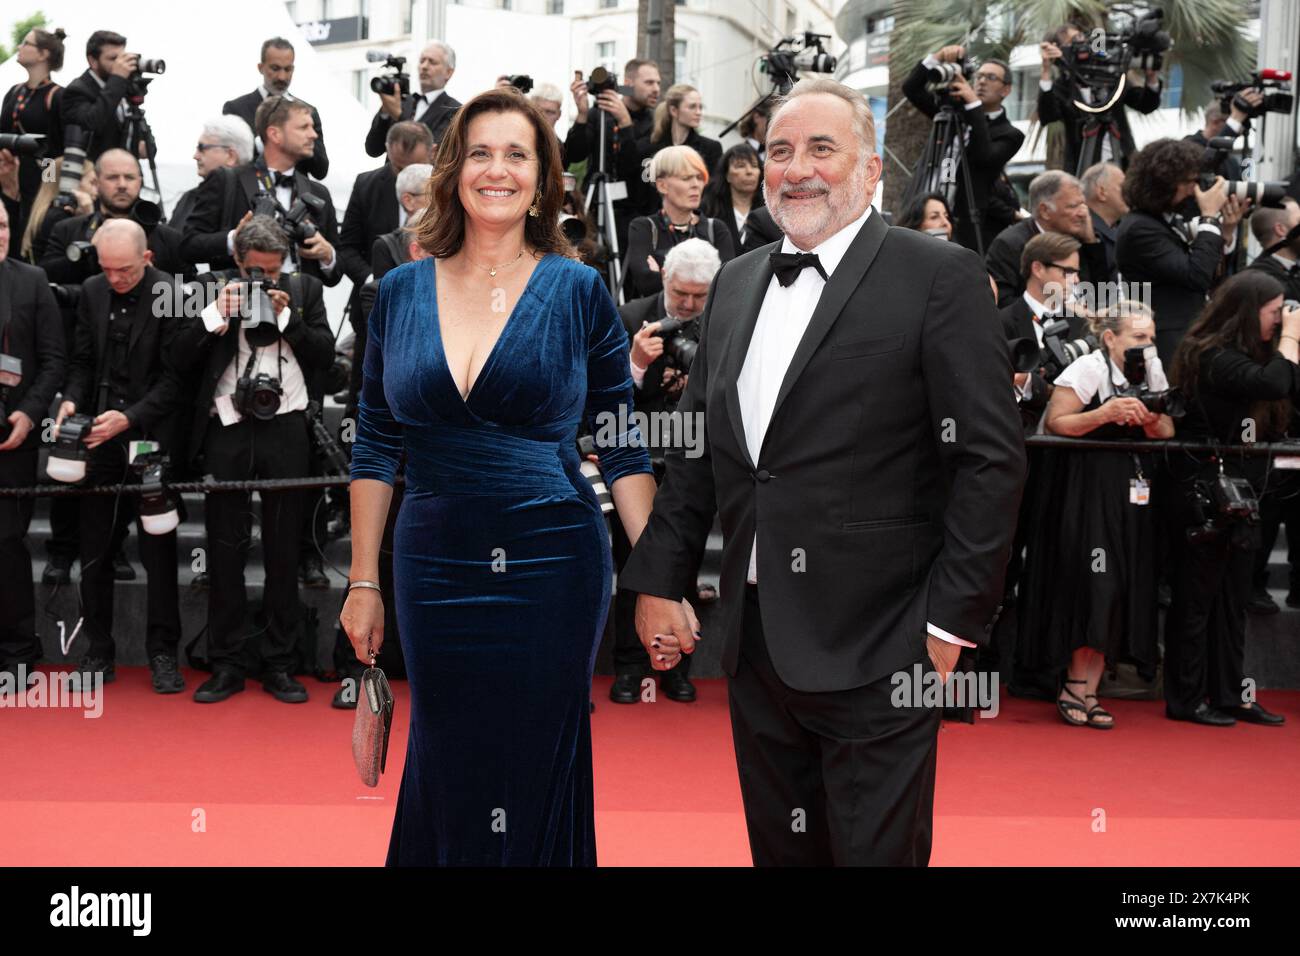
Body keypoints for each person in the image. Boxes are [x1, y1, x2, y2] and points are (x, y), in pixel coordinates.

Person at [619, 77, 1026, 866]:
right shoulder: (737, 280)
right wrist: (660, 581)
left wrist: (948, 626)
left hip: (886, 640)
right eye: (779, 150)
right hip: (758, 640)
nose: (796, 168)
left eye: (820, 148)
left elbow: (989, 459)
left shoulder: (938, 275)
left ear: (870, 170)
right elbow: (698, 450)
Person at [339, 88, 667, 866]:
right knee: (446, 755)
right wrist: (362, 580)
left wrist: (658, 577)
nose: (498, 170)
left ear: (544, 176)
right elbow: (376, 443)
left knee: (532, 756)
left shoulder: (578, 290)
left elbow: (620, 443)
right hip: (432, 560)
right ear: (453, 170)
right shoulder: (399, 293)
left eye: (517, 154)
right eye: (480, 152)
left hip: (552, 559)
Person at [169, 216, 334, 704]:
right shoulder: (210, 289)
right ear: (237, 262)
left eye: (273, 271)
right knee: (225, 550)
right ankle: (227, 663)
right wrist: (213, 314)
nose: (264, 280)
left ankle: (281, 663)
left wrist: (287, 319)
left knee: (284, 552)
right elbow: (177, 359)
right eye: (255, 272)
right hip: (228, 427)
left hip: (287, 426)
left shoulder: (304, 289)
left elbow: (326, 357)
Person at [1020, 302, 1176, 729]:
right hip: (1086, 492)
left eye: (1151, 338)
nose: (1148, 346)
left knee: (1121, 584)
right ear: (1110, 338)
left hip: (1132, 494)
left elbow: (1167, 430)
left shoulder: (1152, 370)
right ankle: (1074, 684)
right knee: (1095, 583)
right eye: (1138, 337)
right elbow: (1056, 423)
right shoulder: (1088, 368)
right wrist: (1105, 413)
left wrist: (1147, 420)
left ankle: (1091, 689)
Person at [55, 220, 185, 692]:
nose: (115, 278)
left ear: (147, 258)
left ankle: (163, 653)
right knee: (95, 549)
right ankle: (97, 651)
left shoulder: (173, 294)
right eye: (107, 269)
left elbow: (176, 380)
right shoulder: (92, 290)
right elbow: (81, 362)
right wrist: (71, 400)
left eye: (124, 271)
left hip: (150, 437)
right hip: (100, 438)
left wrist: (128, 418)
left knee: (159, 552)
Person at [1164, 270, 1298, 726]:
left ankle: (1231, 693)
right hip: (1203, 492)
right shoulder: (1210, 355)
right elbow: (1271, 385)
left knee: (1233, 600)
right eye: (1274, 311)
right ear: (1247, 312)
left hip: (1244, 493)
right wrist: (1290, 341)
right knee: (1197, 598)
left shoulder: (1255, 355)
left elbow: (1286, 388)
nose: (1280, 320)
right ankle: (1186, 698)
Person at [608, 238, 720, 705]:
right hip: (634, 462)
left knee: (684, 564)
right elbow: (603, 404)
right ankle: (629, 668)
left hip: (693, 462)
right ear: (664, 281)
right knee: (633, 563)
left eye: (700, 296)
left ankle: (678, 667)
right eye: (681, 294)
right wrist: (635, 364)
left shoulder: (724, 319)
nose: (689, 305)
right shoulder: (629, 317)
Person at [0, 202, 65, 685]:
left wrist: (29, 413)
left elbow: (54, 359)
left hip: (13, 434)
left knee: (7, 544)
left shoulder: (32, 280)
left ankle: (19, 651)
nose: (0, 234)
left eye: (3, 225)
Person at [1115, 138, 1250, 364]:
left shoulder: (1162, 221)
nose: (1194, 189)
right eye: (1189, 182)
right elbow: (1196, 275)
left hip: (1185, 338)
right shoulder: (1140, 228)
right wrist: (1209, 217)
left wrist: (1225, 230)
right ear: (1163, 184)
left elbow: (1205, 272)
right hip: (1165, 344)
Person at [181, 95, 340, 284]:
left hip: (300, 301)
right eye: (303, 127)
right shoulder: (227, 180)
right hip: (241, 297)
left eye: (312, 127)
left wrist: (328, 255)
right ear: (274, 134)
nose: (313, 135)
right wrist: (235, 239)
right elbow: (188, 246)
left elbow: (336, 275)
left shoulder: (318, 193)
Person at [902, 46, 1024, 252]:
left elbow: (984, 156)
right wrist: (937, 57)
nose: (982, 82)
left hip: (964, 223)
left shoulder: (1011, 135)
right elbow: (911, 89)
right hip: (921, 207)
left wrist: (974, 105)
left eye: (991, 77)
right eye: (979, 76)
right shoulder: (952, 113)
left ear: (1006, 90)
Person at [1244, 197, 1300, 612]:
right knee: (1268, 499)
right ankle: (1251, 584)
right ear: (1282, 230)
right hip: (1272, 407)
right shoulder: (1259, 279)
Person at [39, 148, 191, 285]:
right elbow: (46, 277)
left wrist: (151, 276)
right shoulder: (67, 229)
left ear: (139, 182)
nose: (122, 185)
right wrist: (89, 254)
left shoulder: (169, 239)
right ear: (96, 183)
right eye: (112, 177)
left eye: (129, 177)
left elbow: (188, 289)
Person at [1037, 23, 1162, 173]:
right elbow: (1048, 115)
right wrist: (1046, 71)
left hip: (1123, 165)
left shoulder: (1110, 77)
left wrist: (1151, 77)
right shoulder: (1062, 87)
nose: (1081, 43)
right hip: (1083, 168)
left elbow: (1146, 105)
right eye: (1073, 41)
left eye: (1081, 37)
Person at [565, 58, 661, 252]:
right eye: (649, 82)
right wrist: (582, 115)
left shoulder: (655, 124)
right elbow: (574, 155)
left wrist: (625, 123)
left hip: (634, 214)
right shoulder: (599, 114)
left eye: (658, 83)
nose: (656, 89)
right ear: (628, 83)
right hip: (594, 207)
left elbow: (631, 164)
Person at [621, 145, 734, 300]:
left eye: (699, 177)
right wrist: (706, 277)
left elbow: (728, 283)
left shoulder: (716, 229)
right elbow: (646, 282)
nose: (696, 184)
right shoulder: (644, 228)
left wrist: (663, 275)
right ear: (662, 185)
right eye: (686, 178)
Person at [986, 170, 1109, 306]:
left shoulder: (1079, 236)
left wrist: (1091, 242)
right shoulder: (1009, 245)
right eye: (1073, 206)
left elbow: (1102, 295)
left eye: (1083, 205)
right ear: (1045, 211)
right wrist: (1059, 310)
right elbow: (1002, 303)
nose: (1083, 213)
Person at [224, 38, 327, 180]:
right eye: (275, 68)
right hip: (249, 189)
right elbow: (230, 159)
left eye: (288, 69)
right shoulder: (236, 109)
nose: (282, 77)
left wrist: (301, 140)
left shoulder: (308, 112)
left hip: (296, 191)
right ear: (260, 68)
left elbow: (321, 170)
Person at [1, 27, 67, 242]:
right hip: (7, 181)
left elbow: (57, 151)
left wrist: (47, 189)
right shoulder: (14, 91)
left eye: (26, 43)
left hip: (37, 186)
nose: (19, 47)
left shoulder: (57, 96)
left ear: (43, 54)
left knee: (29, 240)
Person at [625, 84, 723, 219]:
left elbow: (712, 194)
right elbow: (636, 193)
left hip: (694, 223)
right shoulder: (645, 147)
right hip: (651, 222)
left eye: (700, 107)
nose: (698, 112)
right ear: (674, 110)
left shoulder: (710, 148)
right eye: (692, 107)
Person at [365, 41, 460, 155]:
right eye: (422, 61)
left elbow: (433, 154)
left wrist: (399, 116)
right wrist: (384, 113)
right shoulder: (403, 102)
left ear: (448, 72)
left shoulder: (455, 111)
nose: (424, 66)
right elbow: (373, 149)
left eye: (432, 62)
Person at [60, 30, 135, 163]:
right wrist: (117, 80)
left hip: (124, 169)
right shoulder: (76, 90)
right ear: (93, 61)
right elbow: (91, 122)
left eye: (122, 58)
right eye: (113, 59)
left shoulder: (123, 86)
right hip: (92, 171)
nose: (120, 65)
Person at [171, 118, 254, 235]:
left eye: (202, 148)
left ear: (230, 156)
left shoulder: (251, 200)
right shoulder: (189, 197)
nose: (195, 156)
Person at [701, 142, 764, 252]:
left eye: (754, 166)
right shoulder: (709, 210)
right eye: (740, 166)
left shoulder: (769, 211)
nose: (749, 171)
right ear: (727, 175)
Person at [1080, 162, 1127, 279]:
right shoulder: (1084, 232)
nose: (1129, 193)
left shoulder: (1121, 228)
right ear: (1101, 192)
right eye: (1123, 187)